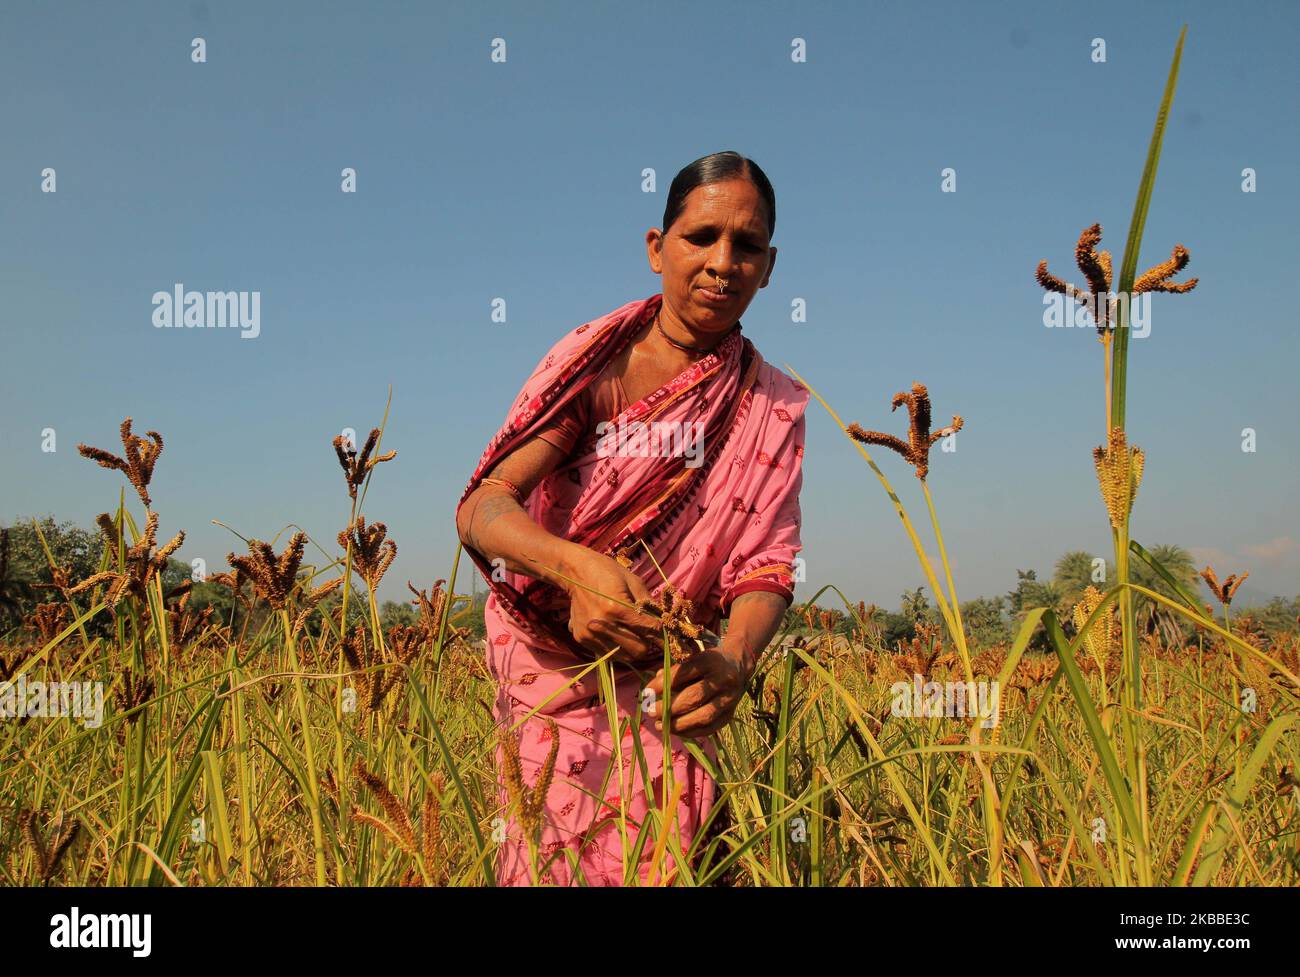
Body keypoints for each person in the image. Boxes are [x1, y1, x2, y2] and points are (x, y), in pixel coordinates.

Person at [455, 150, 808, 886]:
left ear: (769, 266)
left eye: (746, 246)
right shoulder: (598, 364)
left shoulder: (770, 402)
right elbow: (485, 507)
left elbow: (767, 565)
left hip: (669, 690)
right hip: (552, 683)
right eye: (701, 236)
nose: (721, 262)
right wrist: (577, 569)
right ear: (657, 248)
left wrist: (734, 660)